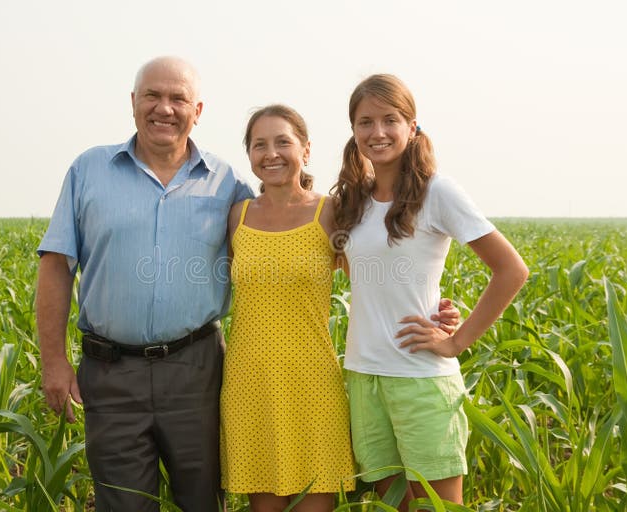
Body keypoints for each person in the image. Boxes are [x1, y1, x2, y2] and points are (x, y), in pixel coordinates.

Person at [35, 56, 253, 512]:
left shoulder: (227, 182)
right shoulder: (88, 170)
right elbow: (56, 266)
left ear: (198, 110)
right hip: (111, 374)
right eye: (152, 95)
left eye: (178, 98)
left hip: (197, 372)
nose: (164, 108)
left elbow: (274, 255)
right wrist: (53, 361)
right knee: (123, 505)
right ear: (134, 102)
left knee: (202, 501)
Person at [220, 104, 461, 512]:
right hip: (249, 382)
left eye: (283, 142)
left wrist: (438, 312)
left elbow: (374, 277)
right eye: (259, 145)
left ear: (306, 149)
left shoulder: (331, 213)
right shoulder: (236, 216)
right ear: (249, 154)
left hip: (312, 382)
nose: (271, 153)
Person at [331, 74, 529, 509]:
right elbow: (371, 275)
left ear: (412, 125)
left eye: (390, 120)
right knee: (392, 504)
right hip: (364, 376)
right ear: (354, 130)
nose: (378, 132)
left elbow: (511, 270)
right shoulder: (354, 200)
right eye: (365, 122)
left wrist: (456, 341)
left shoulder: (437, 191)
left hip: (420, 378)